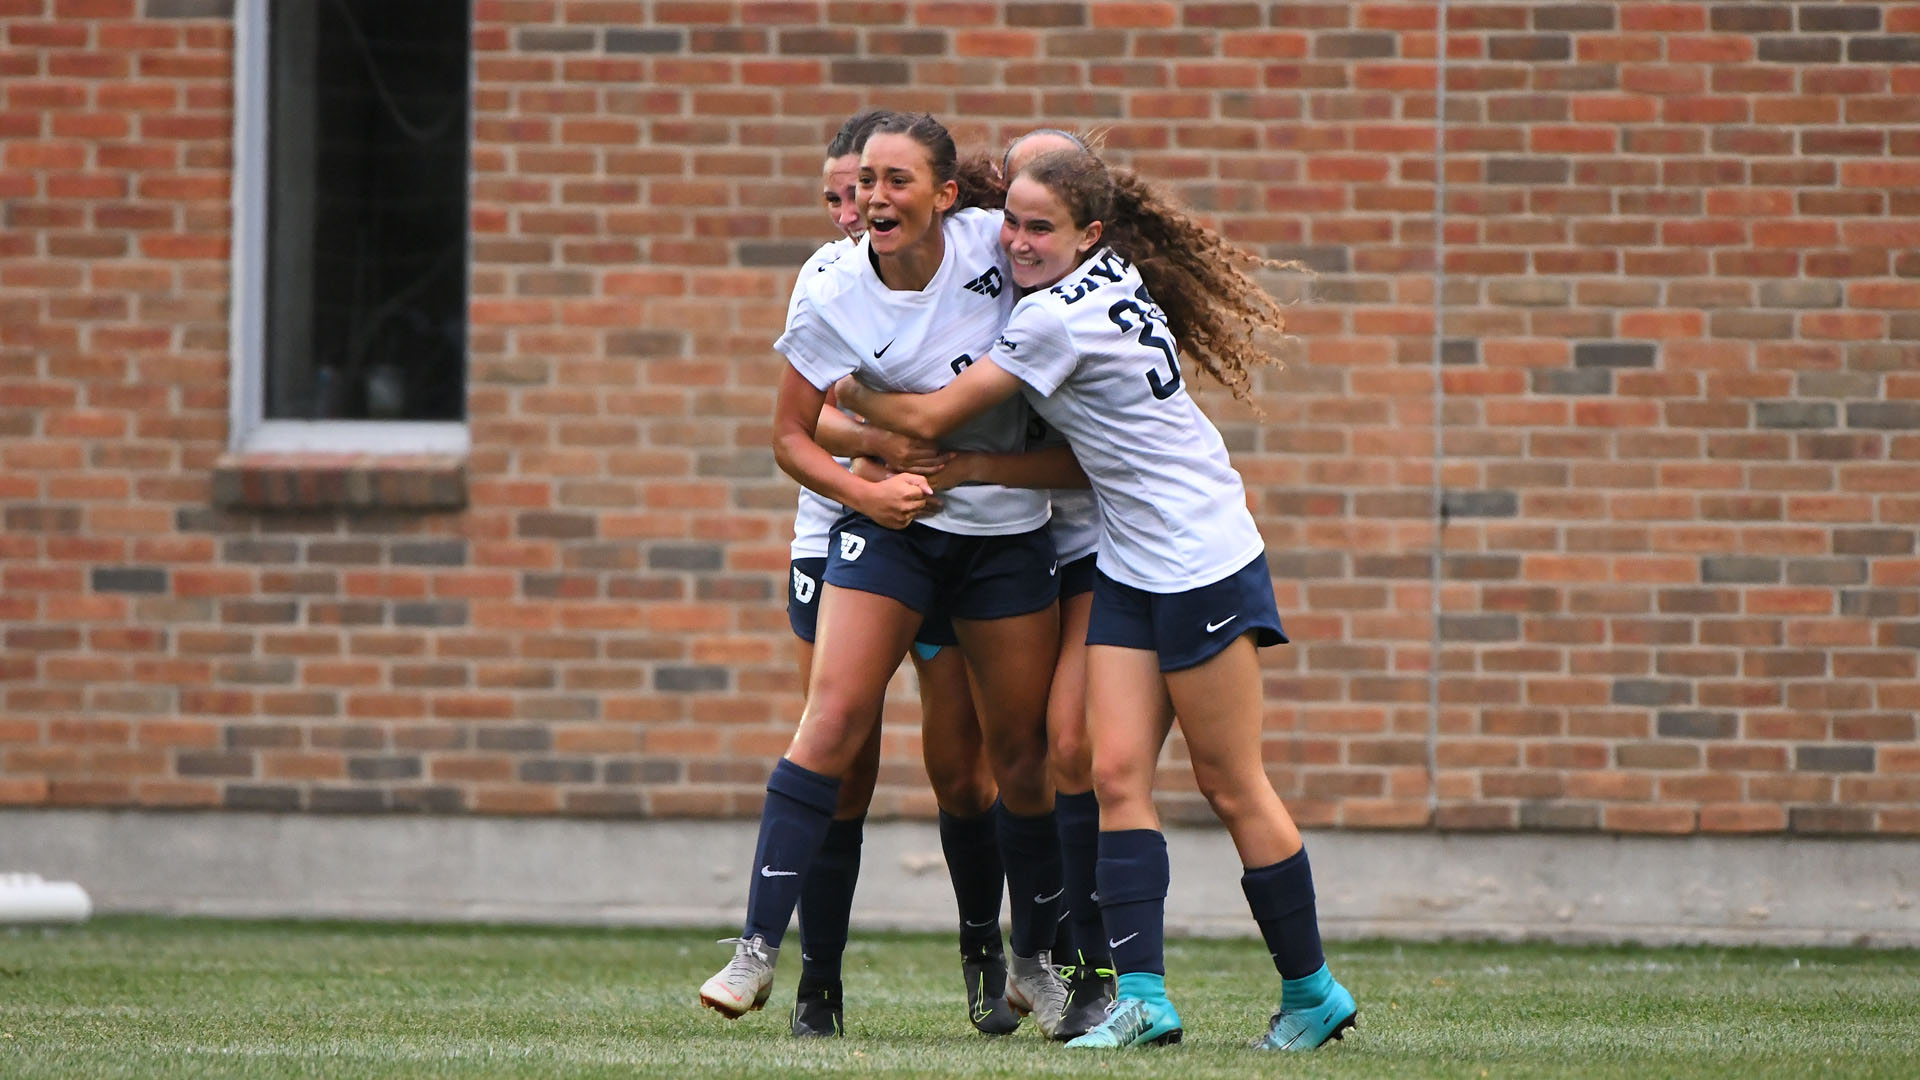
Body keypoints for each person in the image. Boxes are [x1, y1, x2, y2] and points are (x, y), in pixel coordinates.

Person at [833, 146, 1360, 1052]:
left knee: (1231, 782)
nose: (1019, 243)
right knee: (1110, 774)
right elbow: (1084, 457)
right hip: (1128, 556)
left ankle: (1311, 990)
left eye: (1042, 228)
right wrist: (986, 469)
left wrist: (836, 384)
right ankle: (1142, 998)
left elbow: (923, 417)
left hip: (1201, 557)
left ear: (1090, 235)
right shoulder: (1099, 277)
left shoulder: (1054, 322)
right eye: (1014, 223)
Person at [699, 112, 1071, 1038]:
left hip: (1001, 537)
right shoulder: (828, 285)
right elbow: (790, 433)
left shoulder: (999, 245)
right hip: (886, 531)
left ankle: (1025, 961)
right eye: (865, 180)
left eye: (896, 180)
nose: (871, 197)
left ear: (949, 195)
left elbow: (1073, 227)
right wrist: (864, 492)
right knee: (831, 728)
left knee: (1012, 761)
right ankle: (759, 955)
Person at [770, 108, 1019, 1039]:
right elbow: (812, 423)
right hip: (841, 530)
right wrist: (880, 449)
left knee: (964, 770)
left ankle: (984, 956)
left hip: (947, 531)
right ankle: (816, 986)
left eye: (864, 188)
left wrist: (914, 441)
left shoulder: (963, 258)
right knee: (841, 763)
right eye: (836, 194)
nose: (850, 208)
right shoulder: (830, 283)